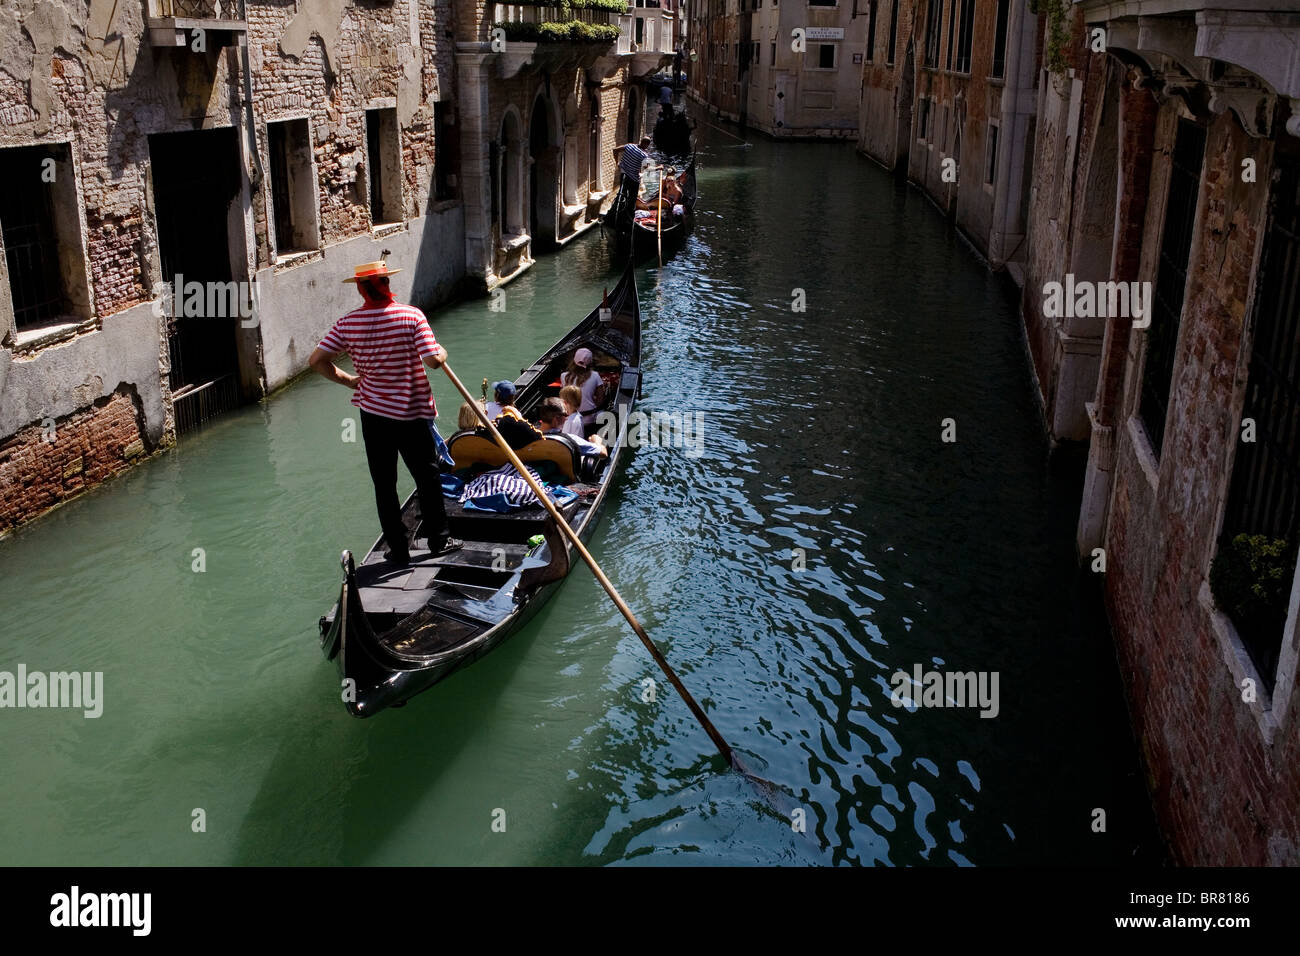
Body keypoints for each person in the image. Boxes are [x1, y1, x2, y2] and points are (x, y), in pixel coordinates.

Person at [309, 260, 461, 564]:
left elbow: (317, 360)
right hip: (411, 413)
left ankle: (398, 549)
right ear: (386, 285)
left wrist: (351, 381)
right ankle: (439, 541)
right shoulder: (411, 316)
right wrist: (443, 351)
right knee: (427, 477)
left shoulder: (348, 324)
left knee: (384, 483)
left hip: (374, 414)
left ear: (361, 289)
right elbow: (432, 360)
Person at [538, 398, 607, 457]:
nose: (567, 418)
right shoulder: (569, 440)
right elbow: (603, 453)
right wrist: (597, 442)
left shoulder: (532, 437)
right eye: (565, 414)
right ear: (556, 420)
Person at [561, 347, 605, 431]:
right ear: (590, 362)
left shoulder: (564, 376)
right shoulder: (595, 375)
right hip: (590, 420)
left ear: (574, 360)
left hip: (571, 419)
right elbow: (601, 400)